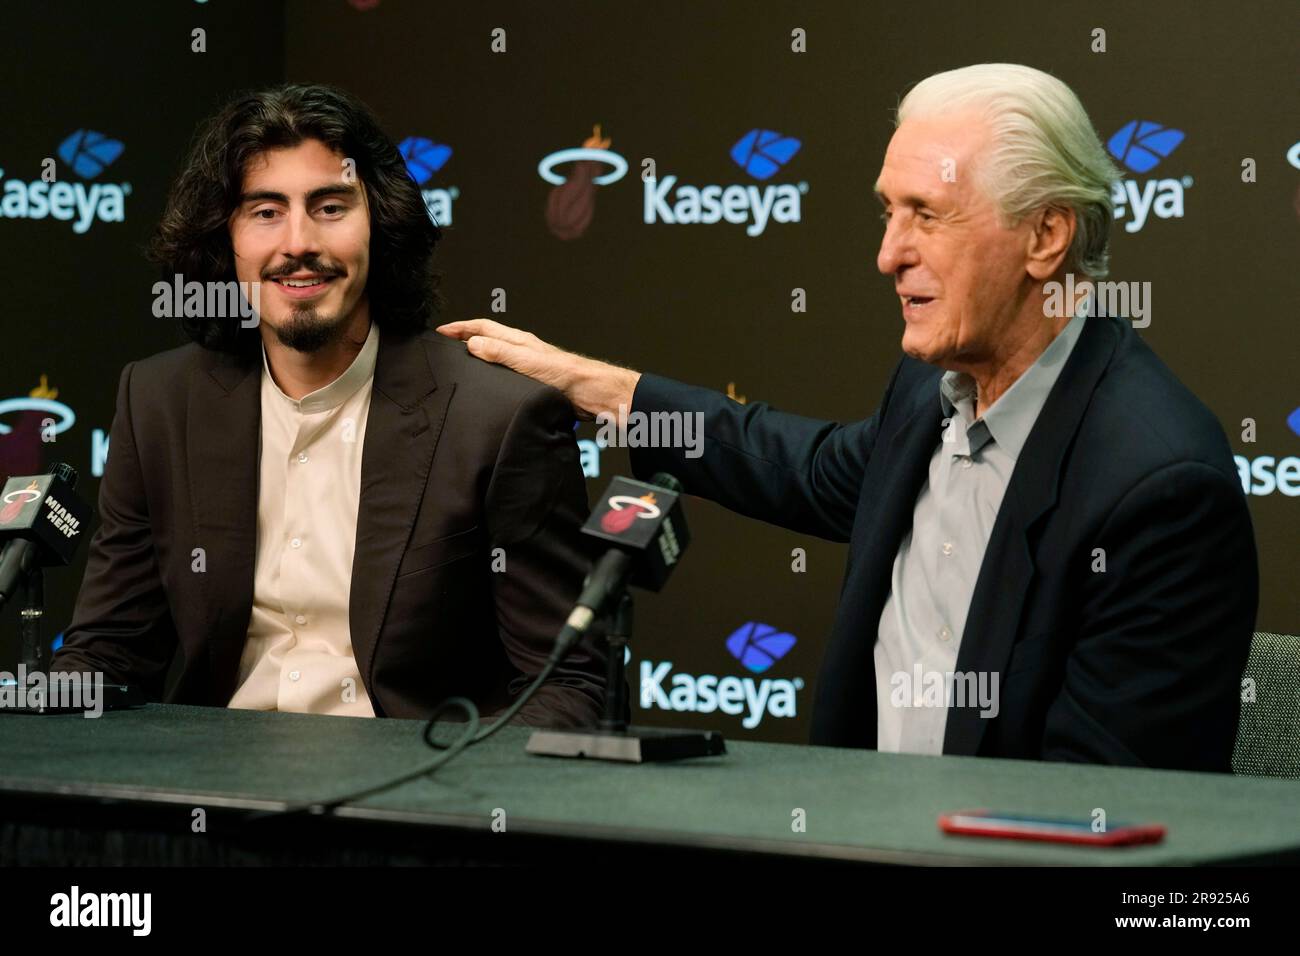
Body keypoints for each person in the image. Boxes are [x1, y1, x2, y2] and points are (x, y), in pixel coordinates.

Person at [437, 64, 1258, 771]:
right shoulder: (928, 385)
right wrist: (596, 386)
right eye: (887, 212)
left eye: (926, 215)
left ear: (1046, 236)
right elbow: (802, 464)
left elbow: (1103, 818)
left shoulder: (1158, 488)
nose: (888, 253)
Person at [52, 84, 607, 725]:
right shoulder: (158, 402)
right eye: (265, 212)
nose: (298, 243)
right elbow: (110, 654)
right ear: (223, 239)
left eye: (330, 207)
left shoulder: (498, 417)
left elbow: (568, 687)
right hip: (215, 797)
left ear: (381, 224)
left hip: (409, 800)